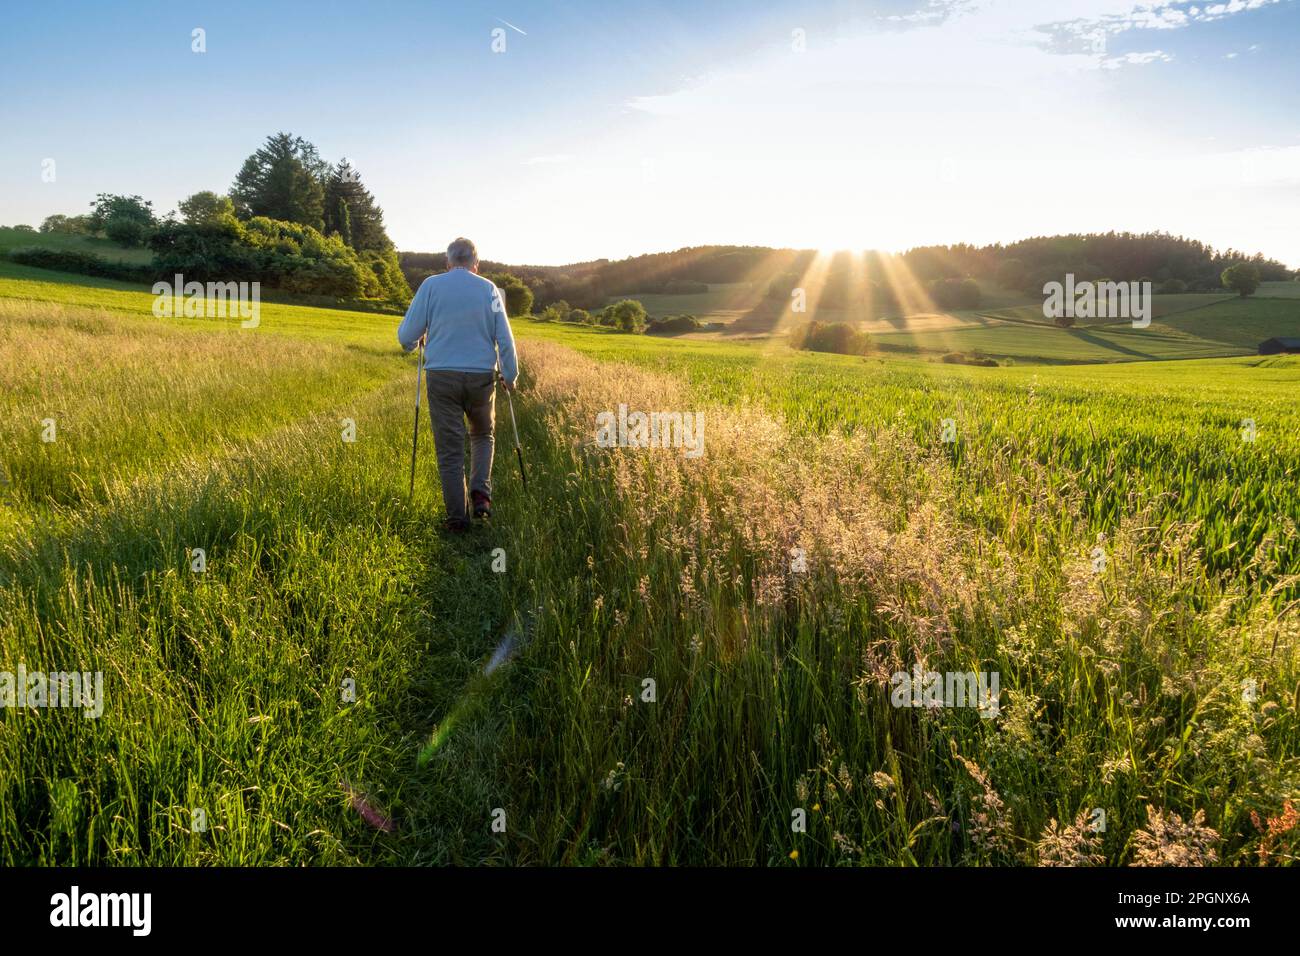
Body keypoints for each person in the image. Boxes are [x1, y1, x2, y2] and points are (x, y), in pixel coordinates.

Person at [397, 237, 519, 532]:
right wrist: (510, 375)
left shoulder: (431, 285)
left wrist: (415, 344)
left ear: (447, 262)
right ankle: (480, 493)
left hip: (441, 375)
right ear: (476, 265)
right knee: (482, 435)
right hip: (481, 377)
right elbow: (504, 337)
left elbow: (406, 336)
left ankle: (457, 518)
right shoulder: (489, 288)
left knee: (450, 449)